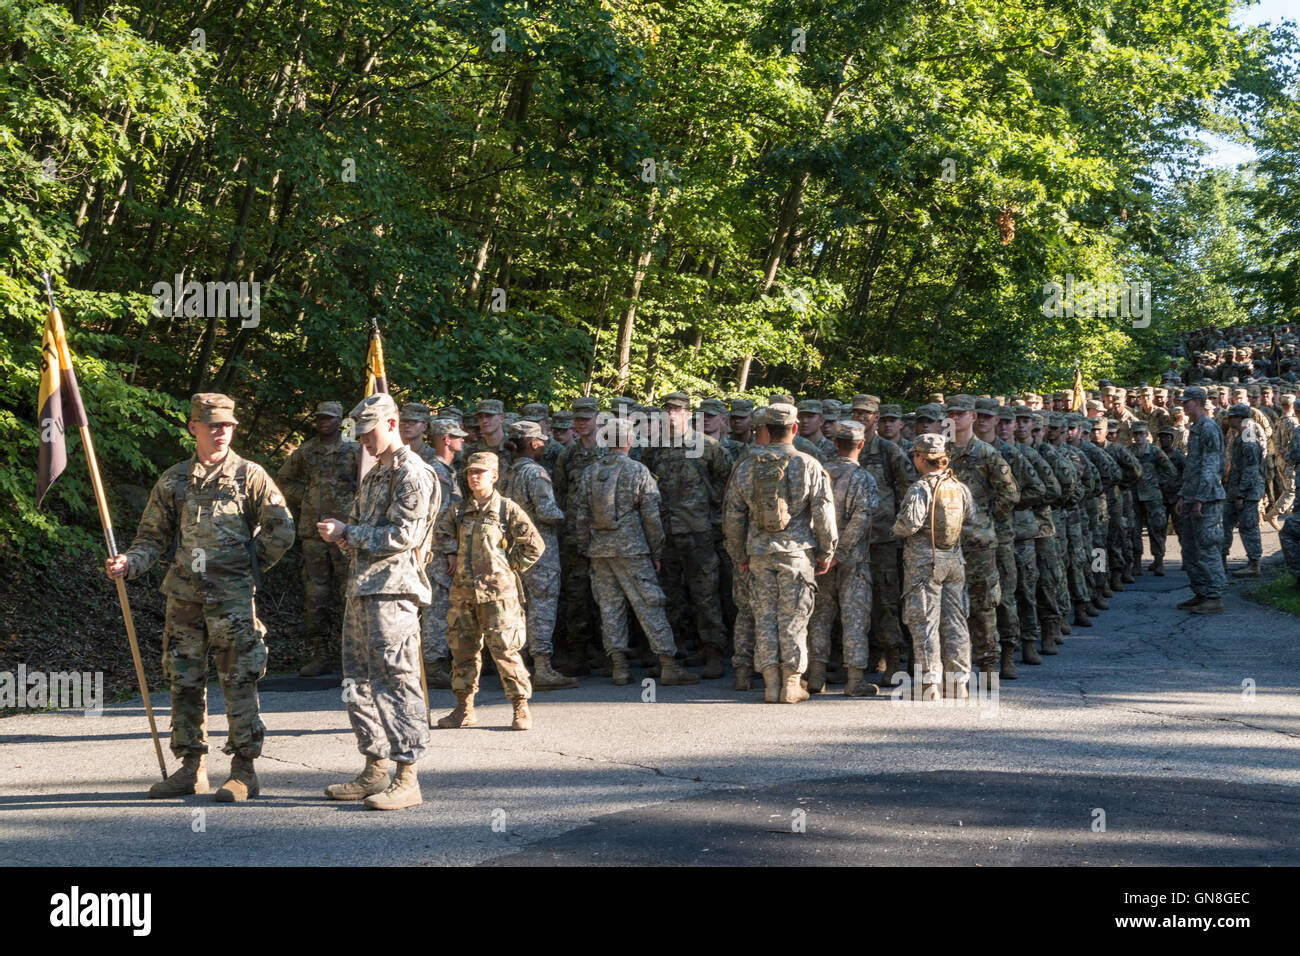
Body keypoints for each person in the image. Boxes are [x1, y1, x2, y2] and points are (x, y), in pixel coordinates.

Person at [107, 393, 295, 800]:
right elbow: (151, 538)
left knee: (239, 680)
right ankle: (191, 768)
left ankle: (244, 771)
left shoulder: (250, 476)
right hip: (184, 599)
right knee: (184, 682)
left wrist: (246, 566)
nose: (221, 432)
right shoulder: (174, 480)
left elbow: (282, 529)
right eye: (213, 426)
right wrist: (130, 564)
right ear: (194, 428)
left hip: (232, 601)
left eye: (227, 426)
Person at [317, 393, 438, 810]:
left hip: (393, 593)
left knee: (396, 680)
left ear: (392, 423)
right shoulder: (374, 475)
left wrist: (348, 532)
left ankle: (408, 776)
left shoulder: (412, 474)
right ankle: (375, 767)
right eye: (361, 434)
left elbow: (402, 537)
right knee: (356, 683)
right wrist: (341, 536)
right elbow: (365, 534)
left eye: (370, 432)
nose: (364, 441)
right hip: (363, 589)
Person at [571, 418, 701, 686]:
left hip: (600, 550)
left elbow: (580, 515)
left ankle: (618, 666)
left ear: (605, 441)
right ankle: (668, 664)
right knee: (650, 604)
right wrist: (656, 551)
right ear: (630, 441)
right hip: (633, 550)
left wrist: (586, 546)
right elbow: (652, 516)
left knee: (610, 608)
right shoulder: (639, 471)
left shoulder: (591, 472)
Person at [722, 403, 837, 704]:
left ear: (764, 429)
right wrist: (826, 552)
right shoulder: (809, 464)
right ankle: (791, 684)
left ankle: (770, 684)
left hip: (758, 554)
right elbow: (824, 514)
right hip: (796, 554)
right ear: (794, 429)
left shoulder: (746, 466)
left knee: (764, 617)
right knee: (794, 619)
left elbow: (732, 516)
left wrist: (739, 556)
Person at [432, 452, 544, 731]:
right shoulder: (458, 511)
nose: (474, 476)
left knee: (506, 651)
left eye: (481, 472)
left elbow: (534, 546)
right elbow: (439, 534)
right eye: (471, 472)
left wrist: (508, 567)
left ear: (494, 476)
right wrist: (450, 553)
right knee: (462, 653)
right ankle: (464, 710)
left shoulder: (507, 509)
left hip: (498, 597)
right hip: (463, 595)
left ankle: (520, 708)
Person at [642, 392, 732, 678]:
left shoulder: (709, 446)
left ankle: (713, 651)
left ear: (687, 413)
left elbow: (727, 486)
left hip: (700, 532)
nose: (672, 414)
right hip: (665, 533)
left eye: (677, 410)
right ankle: (671, 653)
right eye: (667, 409)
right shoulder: (654, 449)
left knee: (705, 594)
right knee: (668, 596)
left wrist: (714, 519)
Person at [276, 401, 359, 676]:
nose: (324, 421)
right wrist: (307, 499)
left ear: (340, 420)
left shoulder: (354, 450)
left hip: (346, 533)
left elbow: (368, 484)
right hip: (313, 533)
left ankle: (354, 654)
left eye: (329, 418)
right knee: (316, 595)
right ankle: (320, 654)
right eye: (320, 417)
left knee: (350, 592)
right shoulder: (306, 451)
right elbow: (284, 480)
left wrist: (354, 510)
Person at [893, 433, 976, 701]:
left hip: (924, 563)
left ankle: (930, 685)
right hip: (954, 560)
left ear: (919, 457)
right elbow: (972, 518)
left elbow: (909, 524)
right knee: (956, 622)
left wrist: (895, 527)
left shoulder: (920, 488)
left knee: (925, 622)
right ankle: (958, 683)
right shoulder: (958, 486)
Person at [499, 421, 577, 689]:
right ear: (533, 443)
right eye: (541, 440)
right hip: (541, 552)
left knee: (520, 609)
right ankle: (542, 667)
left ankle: (517, 667)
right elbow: (547, 512)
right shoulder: (535, 472)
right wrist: (566, 516)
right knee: (543, 607)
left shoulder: (506, 473)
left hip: (513, 551)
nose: (544, 444)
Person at [806, 420, 879, 695]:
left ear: (835, 443)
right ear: (861, 445)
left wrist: (825, 553)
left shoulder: (820, 472)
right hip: (853, 560)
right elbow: (861, 520)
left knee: (820, 617)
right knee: (855, 618)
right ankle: (854, 679)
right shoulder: (865, 479)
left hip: (819, 557)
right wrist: (841, 554)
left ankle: (816, 676)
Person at [419, 418, 466, 689]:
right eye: (457, 436)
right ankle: (433, 663)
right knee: (437, 606)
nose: (462, 440)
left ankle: (438, 659)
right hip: (439, 550)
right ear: (446, 439)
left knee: (443, 604)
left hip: (442, 547)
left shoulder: (447, 471)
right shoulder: (438, 473)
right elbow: (440, 516)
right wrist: (450, 549)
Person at [1175, 386, 1228, 614]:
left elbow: (1210, 468)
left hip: (1206, 500)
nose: (1184, 405)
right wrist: (1182, 495)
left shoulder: (1208, 427)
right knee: (1190, 549)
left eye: (1187, 401)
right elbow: (1192, 468)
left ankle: (1214, 596)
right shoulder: (1196, 428)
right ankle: (1201, 592)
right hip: (1191, 496)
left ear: (1197, 402)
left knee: (1207, 548)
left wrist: (1199, 500)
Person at [1222, 403, 1266, 578]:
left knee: (1248, 526)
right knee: (1225, 523)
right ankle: (1221, 560)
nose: (1229, 420)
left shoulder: (1249, 440)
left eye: (1232, 417)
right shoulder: (1241, 437)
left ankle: (1254, 564)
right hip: (1236, 489)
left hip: (1247, 491)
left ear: (1239, 418)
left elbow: (1251, 470)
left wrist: (1241, 494)